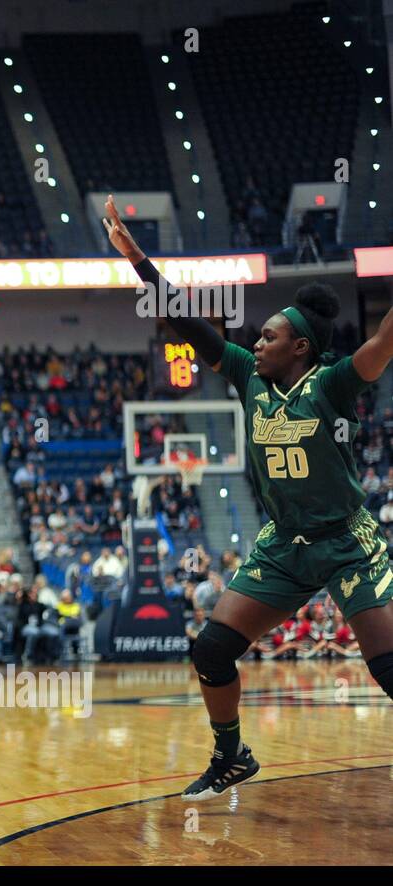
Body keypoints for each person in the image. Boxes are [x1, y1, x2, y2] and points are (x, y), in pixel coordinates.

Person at [105, 192, 393, 801]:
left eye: (268, 336)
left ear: (301, 348)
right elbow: (185, 320)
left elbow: (383, 343)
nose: (255, 343)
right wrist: (137, 260)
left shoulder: (334, 384)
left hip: (347, 540)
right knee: (211, 650)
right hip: (284, 543)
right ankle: (230, 754)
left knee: (387, 668)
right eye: (256, 337)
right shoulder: (244, 375)